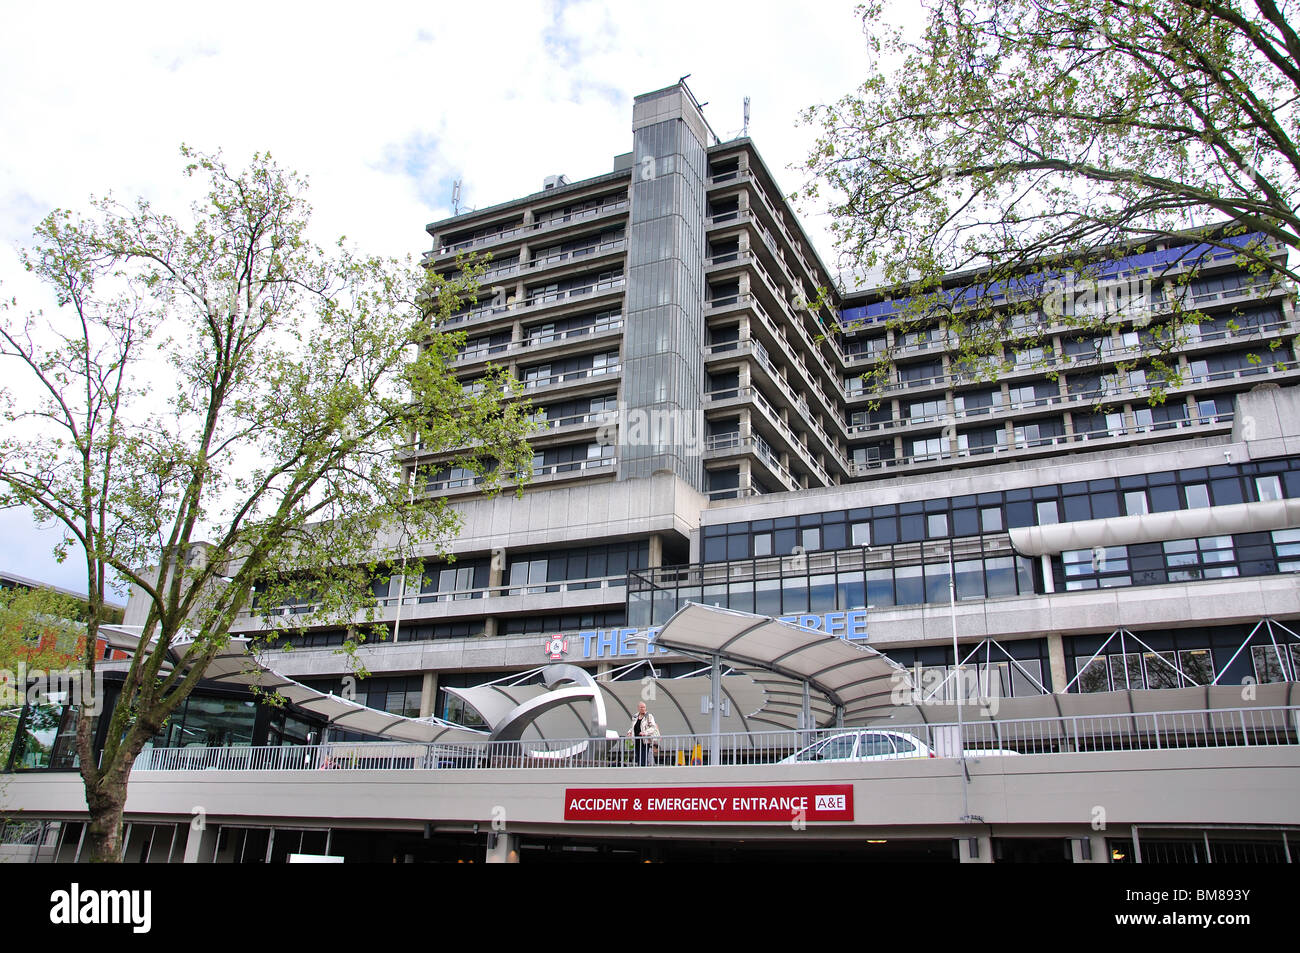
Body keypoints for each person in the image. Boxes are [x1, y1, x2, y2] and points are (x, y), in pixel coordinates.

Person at [627, 702, 658, 766]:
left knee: (643, 757)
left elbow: (653, 727)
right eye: (641, 707)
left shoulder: (649, 716)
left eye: (644, 707)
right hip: (636, 740)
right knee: (638, 757)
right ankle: (639, 770)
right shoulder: (635, 716)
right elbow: (633, 727)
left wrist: (645, 732)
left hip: (645, 741)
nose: (643, 709)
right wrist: (630, 732)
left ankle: (643, 769)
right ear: (638, 708)